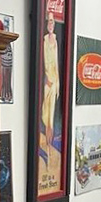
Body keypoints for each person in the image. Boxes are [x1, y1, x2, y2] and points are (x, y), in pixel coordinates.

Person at [40, 11, 59, 163]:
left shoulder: (55, 41)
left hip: (55, 83)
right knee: (45, 117)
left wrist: (56, 84)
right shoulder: (45, 40)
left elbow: (57, 64)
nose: (50, 24)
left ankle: (49, 147)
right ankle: (47, 147)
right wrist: (46, 79)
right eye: (49, 22)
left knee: (51, 119)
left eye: (52, 22)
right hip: (48, 83)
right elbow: (43, 62)